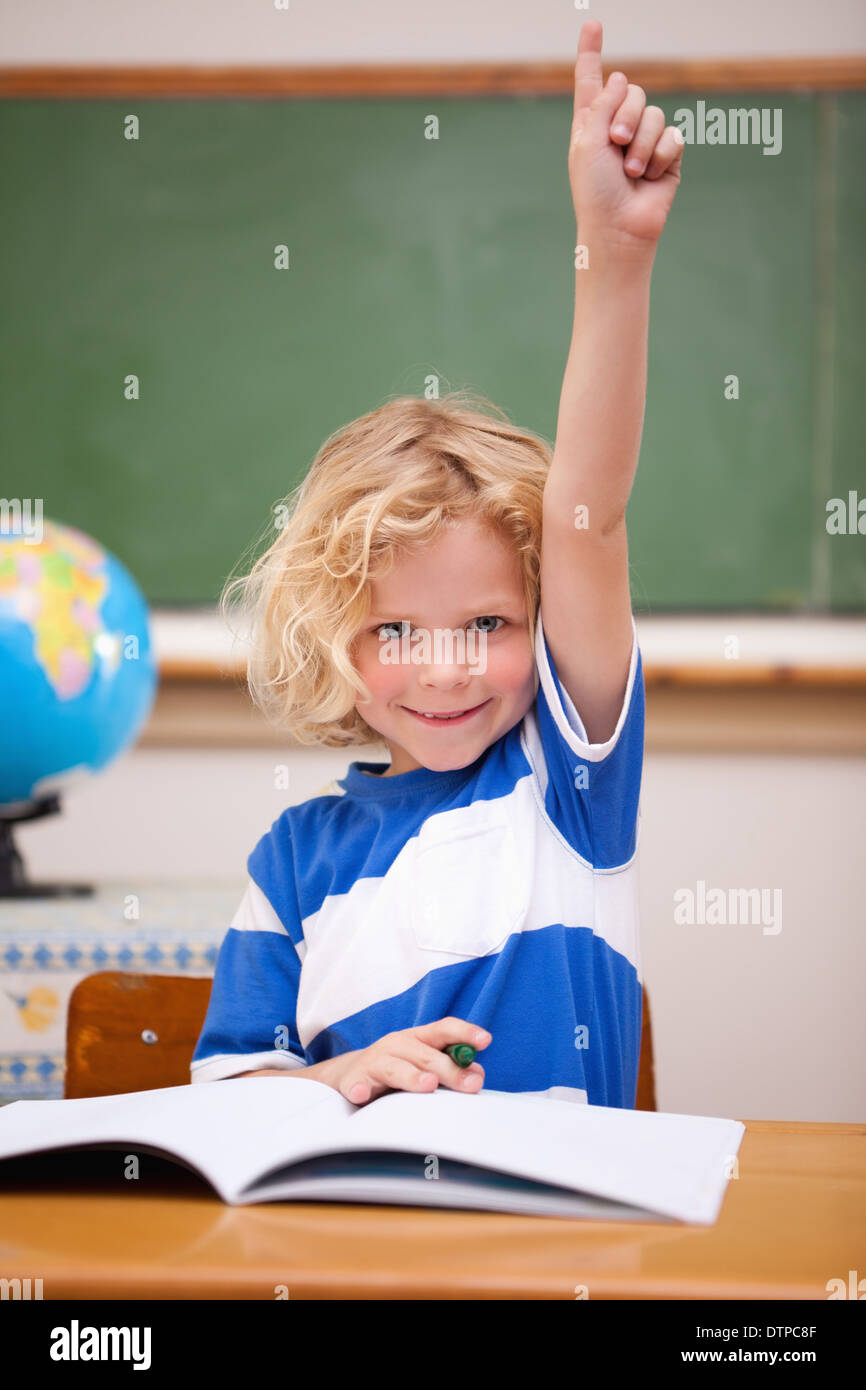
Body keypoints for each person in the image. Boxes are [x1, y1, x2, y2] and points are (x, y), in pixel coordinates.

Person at [190, 17, 683, 1107]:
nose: (447, 667)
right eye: (397, 631)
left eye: (489, 625)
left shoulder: (565, 778)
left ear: (543, 620)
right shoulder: (291, 860)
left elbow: (586, 519)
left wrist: (614, 258)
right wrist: (340, 1078)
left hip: (553, 1263)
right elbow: (229, 1100)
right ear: (337, 643)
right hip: (350, 1260)